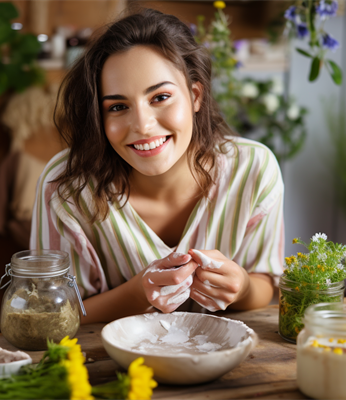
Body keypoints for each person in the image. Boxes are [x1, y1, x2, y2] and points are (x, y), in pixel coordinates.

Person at [30, 8, 284, 324]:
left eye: (160, 97)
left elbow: (265, 284)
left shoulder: (253, 170)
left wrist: (243, 287)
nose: (143, 126)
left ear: (194, 96)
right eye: (118, 106)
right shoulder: (66, 186)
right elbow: (52, 314)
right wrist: (139, 293)